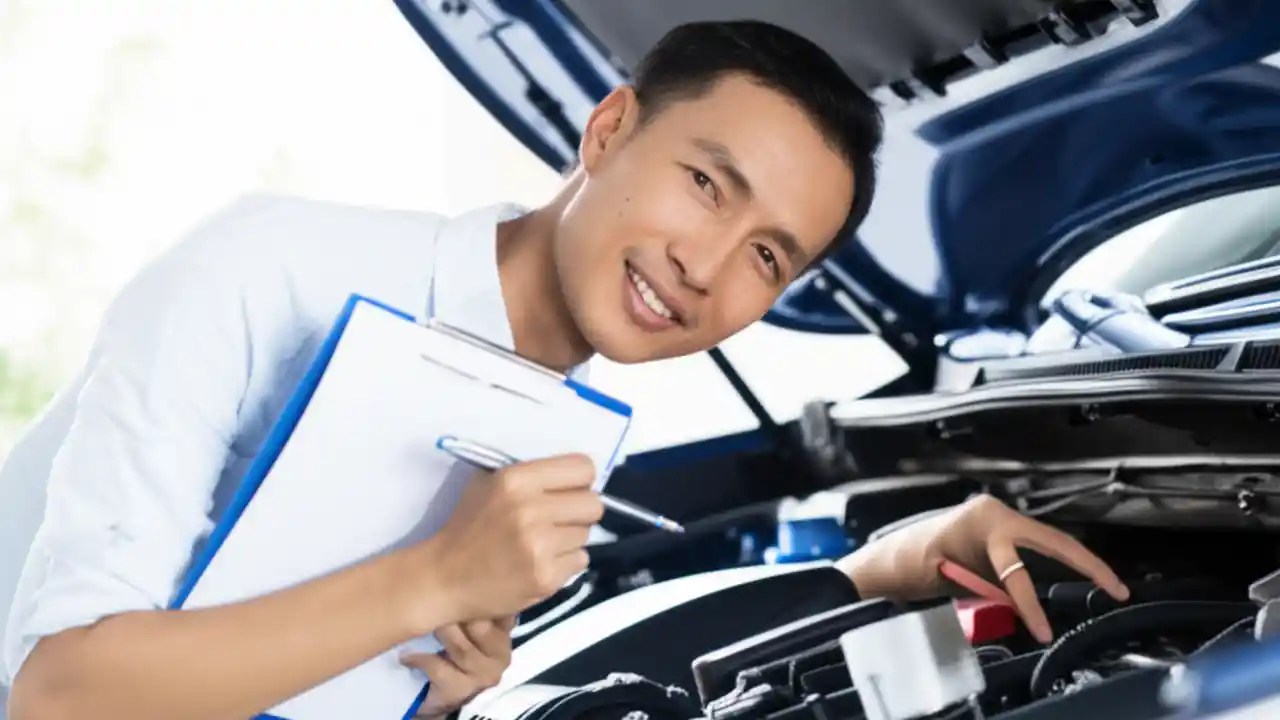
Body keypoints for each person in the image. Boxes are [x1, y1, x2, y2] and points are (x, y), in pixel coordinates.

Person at [0, 19, 1128, 720]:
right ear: (607, 130)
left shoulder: (556, 437)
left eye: (766, 257)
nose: (705, 266)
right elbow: (62, 699)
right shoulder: (264, 269)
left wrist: (891, 565)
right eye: (704, 183)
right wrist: (436, 581)